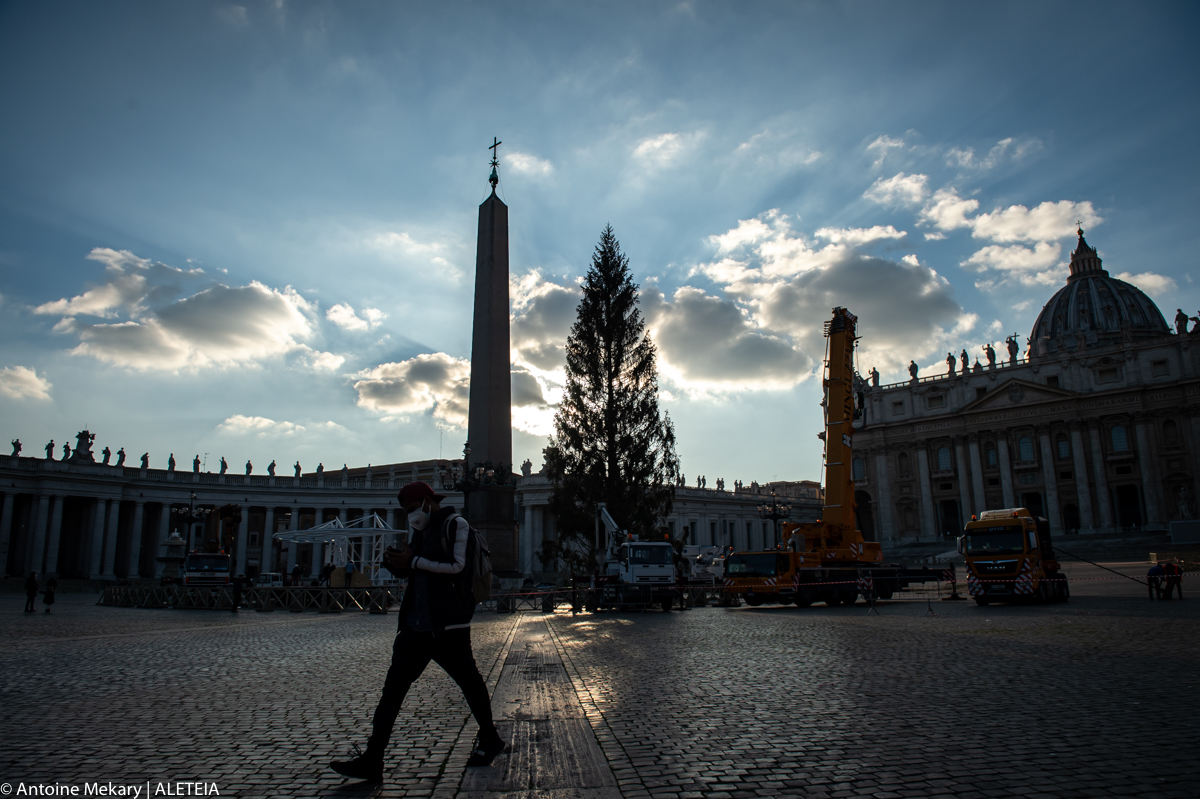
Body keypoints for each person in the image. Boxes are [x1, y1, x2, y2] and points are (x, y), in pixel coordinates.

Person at [330, 481, 505, 782]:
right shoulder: (419, 531)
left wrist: (413, 561)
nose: (410, 516)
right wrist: (397, 563)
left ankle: (490, 738)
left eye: (412, 509)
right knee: (392, 694)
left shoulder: (457, 525)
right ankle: (373, 758)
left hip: (448, 625)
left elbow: (458, 567)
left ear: (426, 502)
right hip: (415, 626)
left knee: (470, 684)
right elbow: (415, 569)